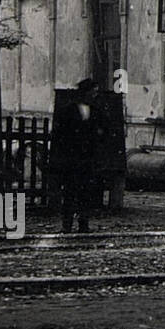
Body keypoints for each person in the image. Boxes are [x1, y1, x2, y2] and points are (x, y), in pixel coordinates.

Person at [55, 78, 103, 233]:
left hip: (88, 159)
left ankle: (84, 223)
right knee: (69, 193)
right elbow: (59, 135)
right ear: (85, 92)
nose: (94, 96)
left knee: (86, 193)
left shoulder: (96, 111)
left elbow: (102, 132)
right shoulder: (68, 110)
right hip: (71, 159)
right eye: (92, 92)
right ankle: (67, 224)